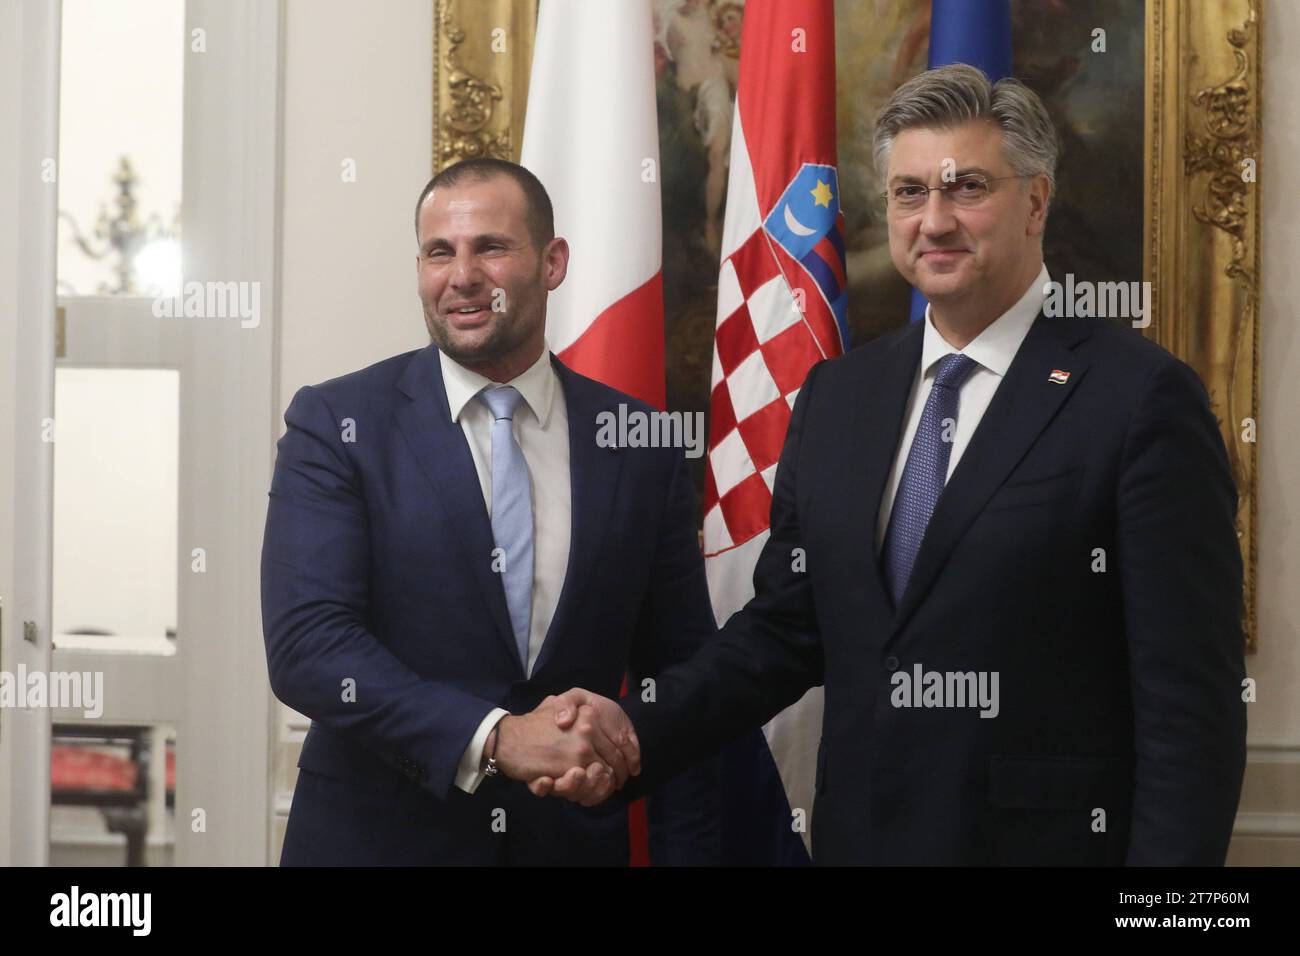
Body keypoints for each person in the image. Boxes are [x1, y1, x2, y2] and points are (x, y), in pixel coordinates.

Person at [535, 64, 1248, 866]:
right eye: (910, 193)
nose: (934, 221)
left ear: (1037, 201)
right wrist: (634, 729)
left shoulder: (1141, 400)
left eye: (966, 187)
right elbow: (785, 630)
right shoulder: (841, 396)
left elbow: (1191, 711)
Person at [261, 157, 720, 865]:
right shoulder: (339, 423)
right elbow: (310, 649)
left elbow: (683, 671)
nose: (462, 276)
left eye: (491, 248)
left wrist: (619, 742)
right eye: (439, 252)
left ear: (553, 261)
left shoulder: (639, 442)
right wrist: (500, 737)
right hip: (377, 844)